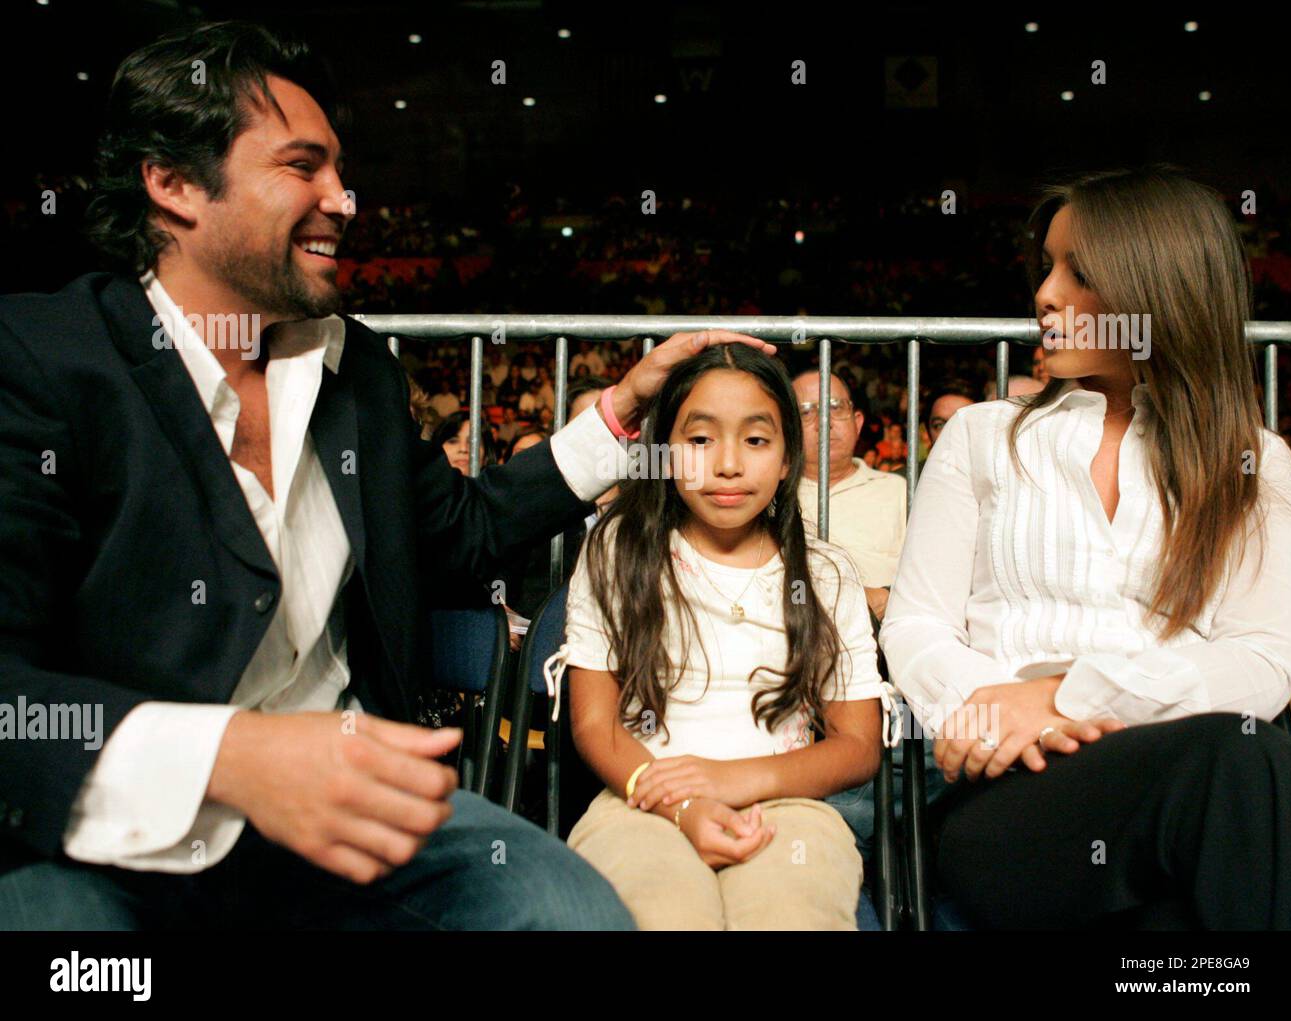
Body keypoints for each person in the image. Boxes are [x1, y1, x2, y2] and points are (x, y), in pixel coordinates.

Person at [0, 19, 776, 931]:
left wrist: (618, 416)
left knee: (573, 913)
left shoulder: (355, 373)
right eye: (302, 166)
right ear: (172, 185)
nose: (346, 198)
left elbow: (465, 534)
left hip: (356, 818)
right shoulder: (41, 360)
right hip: (105, 839)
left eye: (340, 168)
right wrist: (234, 758)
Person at [879, 165, 1291, 930]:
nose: (1045, 293)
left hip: (1183, 784)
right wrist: (998, 713)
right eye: (1046, 267)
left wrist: (1070, 695)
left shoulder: (1254, 458)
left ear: (1159, 288)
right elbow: (915, 626)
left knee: (1193, 875)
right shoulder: (981, 436)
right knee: (1242, 773)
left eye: (1079, 271)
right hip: (1010, 791)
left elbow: (1264, 661)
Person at [555, 343, 888, 930]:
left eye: (757, 440)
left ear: (789, 458)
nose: (728, 464)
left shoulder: (826, 573)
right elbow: (594, 723)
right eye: (701, 440)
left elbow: (857, 745)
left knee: (790, 916)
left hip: (789, 808)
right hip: (638, 798)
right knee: (659, 913)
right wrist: (681, 803)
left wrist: (730, 779)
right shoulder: (618, 549)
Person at [791, 369, 905, 623]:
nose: (824, 421)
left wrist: (888, 597)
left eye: (835, 407)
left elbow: (931, 575)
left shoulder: (898, 490)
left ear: (858, 422)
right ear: (787, 428)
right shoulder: (772, 495)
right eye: (807, 411)